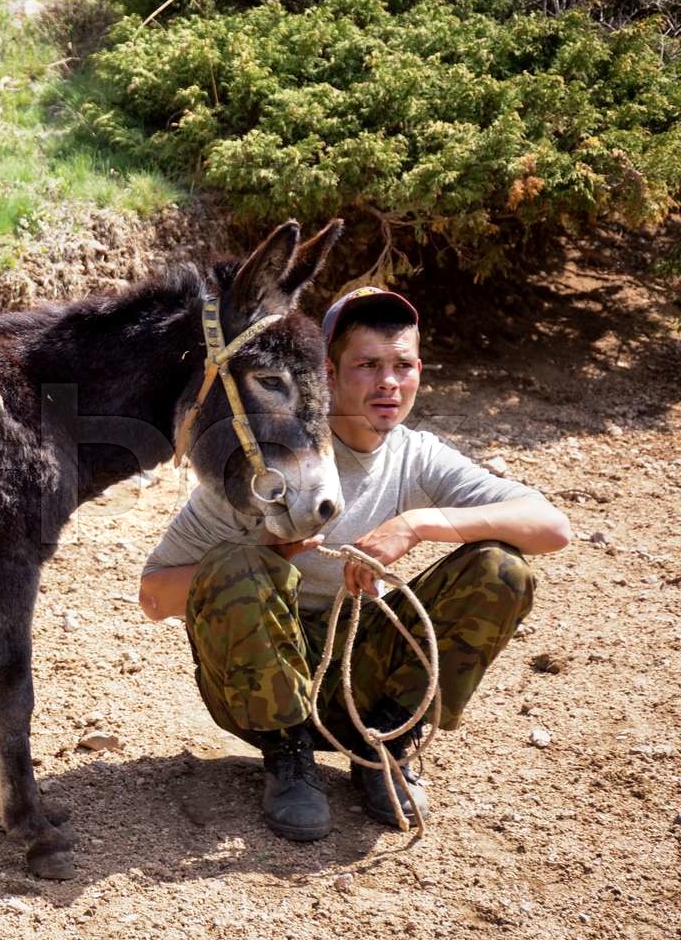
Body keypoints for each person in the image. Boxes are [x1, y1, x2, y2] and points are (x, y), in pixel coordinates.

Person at [138, 286, 571, 839]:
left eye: (402, 365)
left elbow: (552, 527)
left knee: (501, 568)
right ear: (327, 374)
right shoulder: (264, 465)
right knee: (240, 565)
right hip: (260, 685)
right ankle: (287, 755)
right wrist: (262, 559)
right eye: (367, 365)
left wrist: (416, 525)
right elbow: (154, 597)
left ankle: (384, 746)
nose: (388, 382)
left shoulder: (418, 456)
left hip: (361, 673)